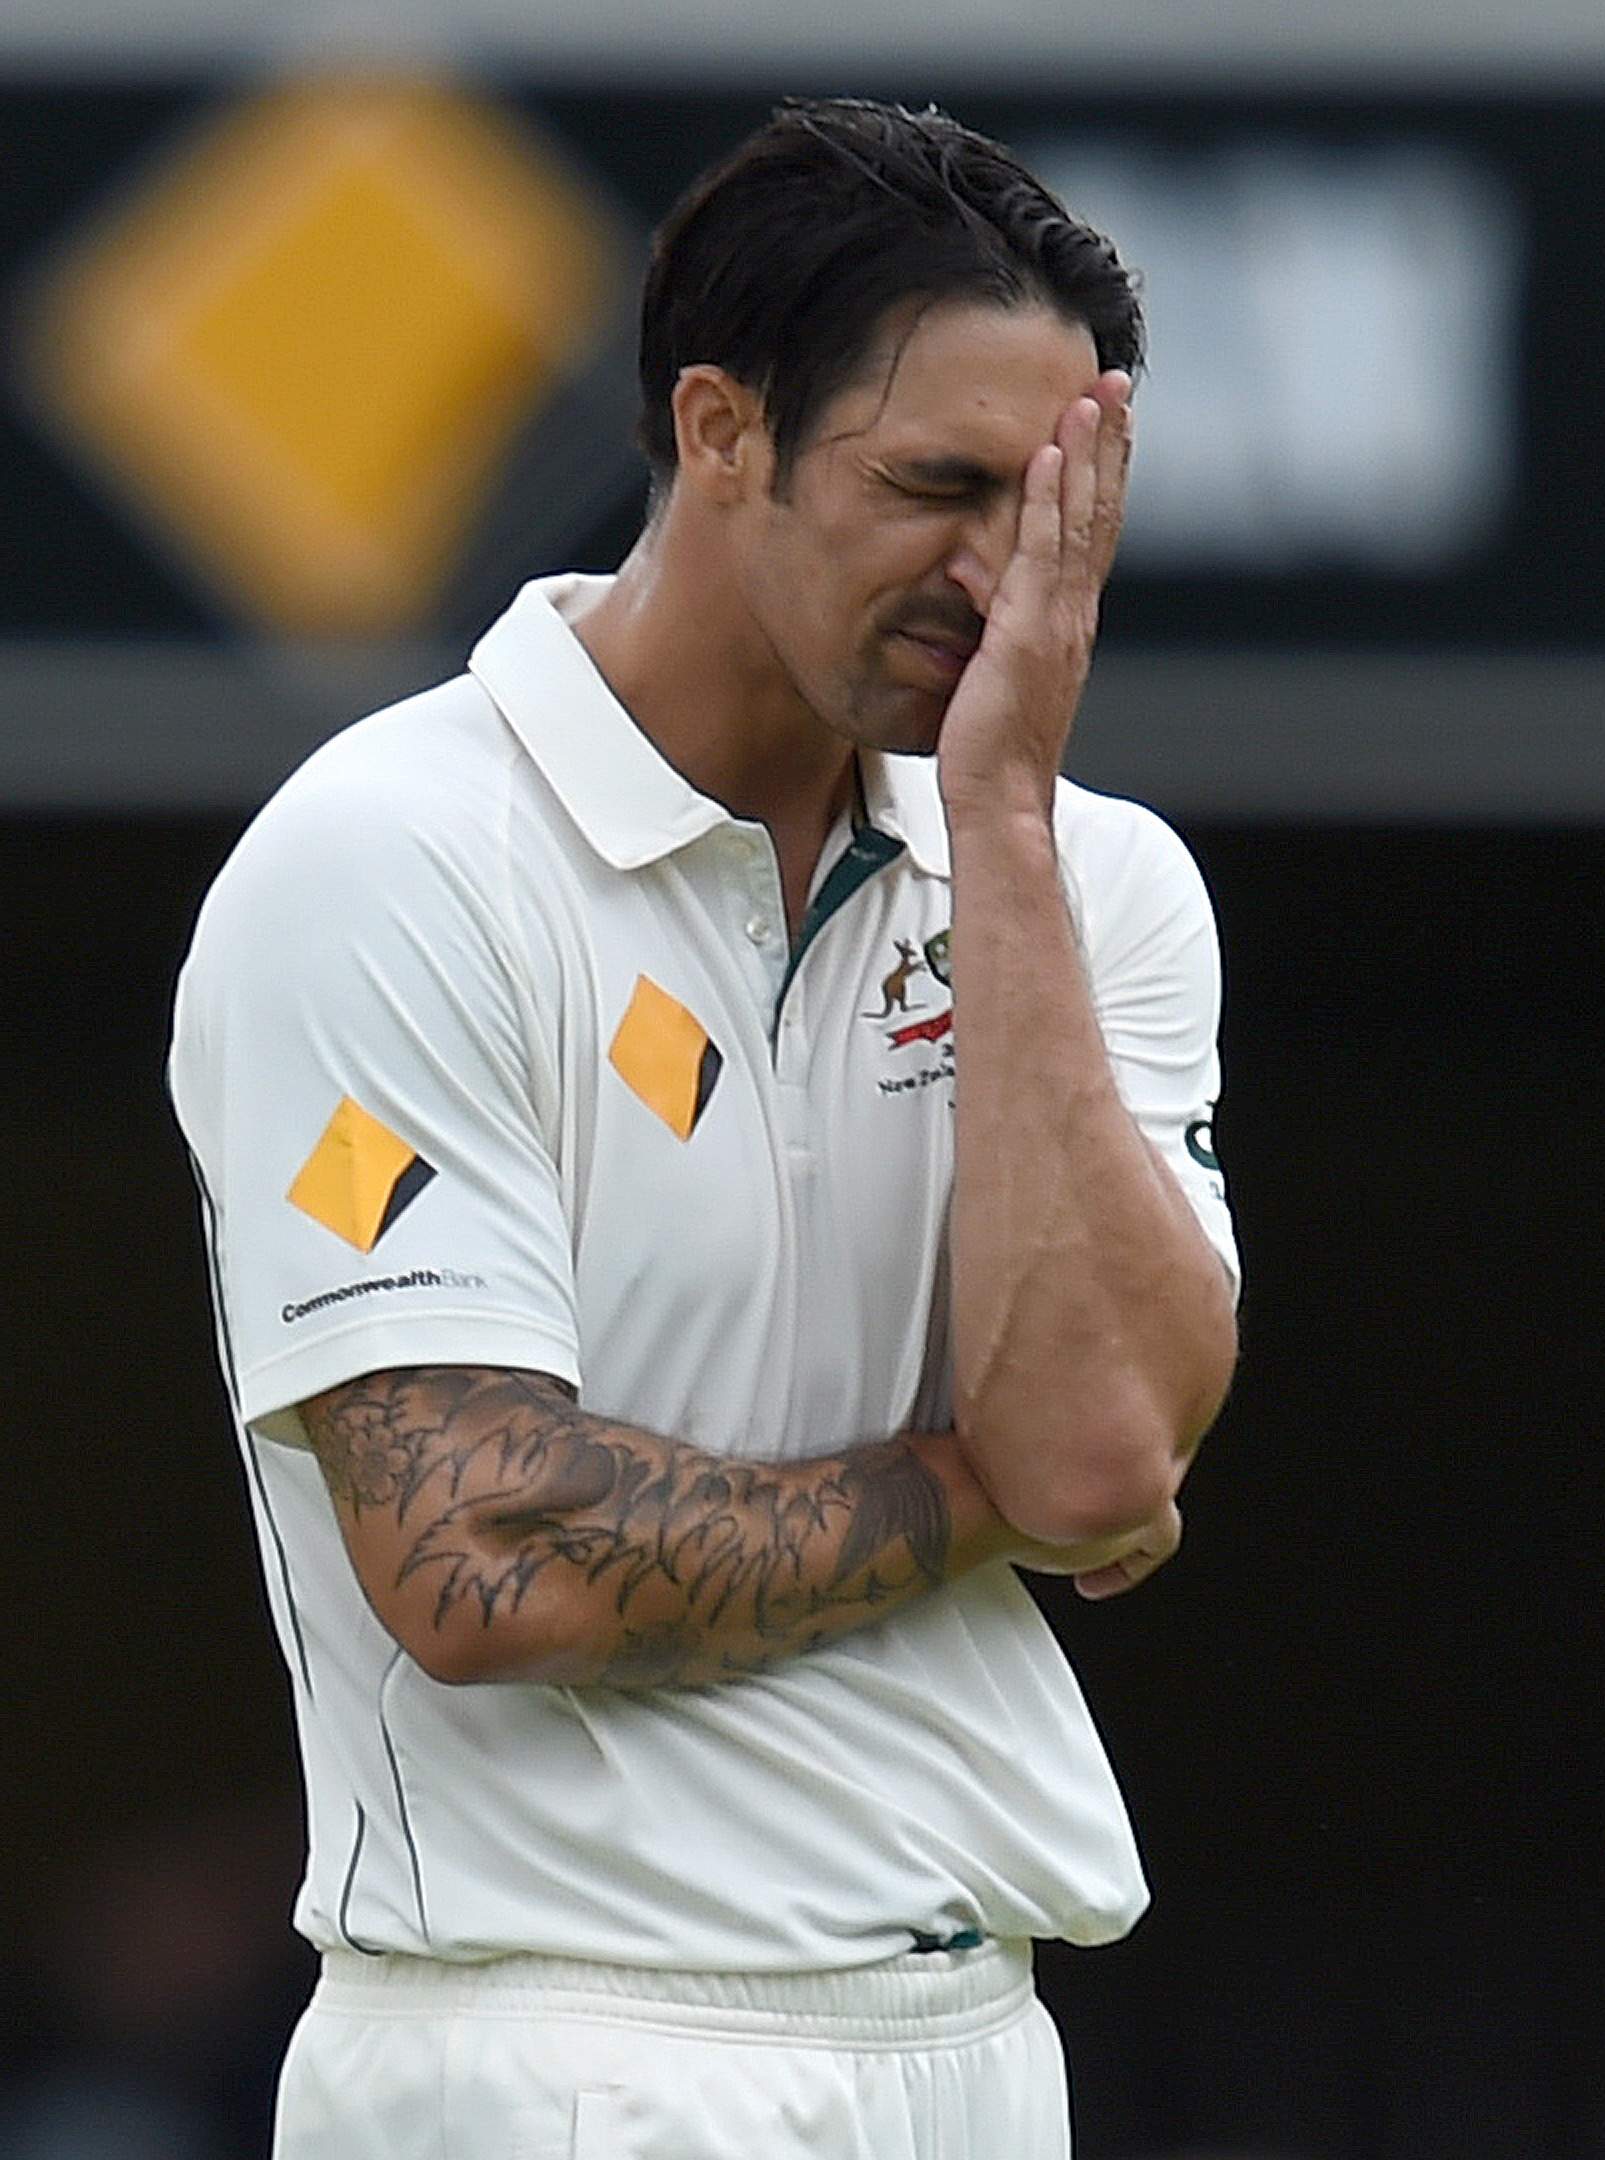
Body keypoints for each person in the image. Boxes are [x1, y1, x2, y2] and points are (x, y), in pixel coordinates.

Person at [169, 96, 1240, 2160]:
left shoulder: (1088, 877)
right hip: (557, 2047)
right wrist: (981, 1486)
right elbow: (487, 1561)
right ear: (720, 428)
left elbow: (1107, 1451)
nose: (992, 578)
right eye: (931, 488)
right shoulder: (391, 859)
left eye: (1040, 510)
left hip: (980, 2041)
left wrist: (1002, 826)